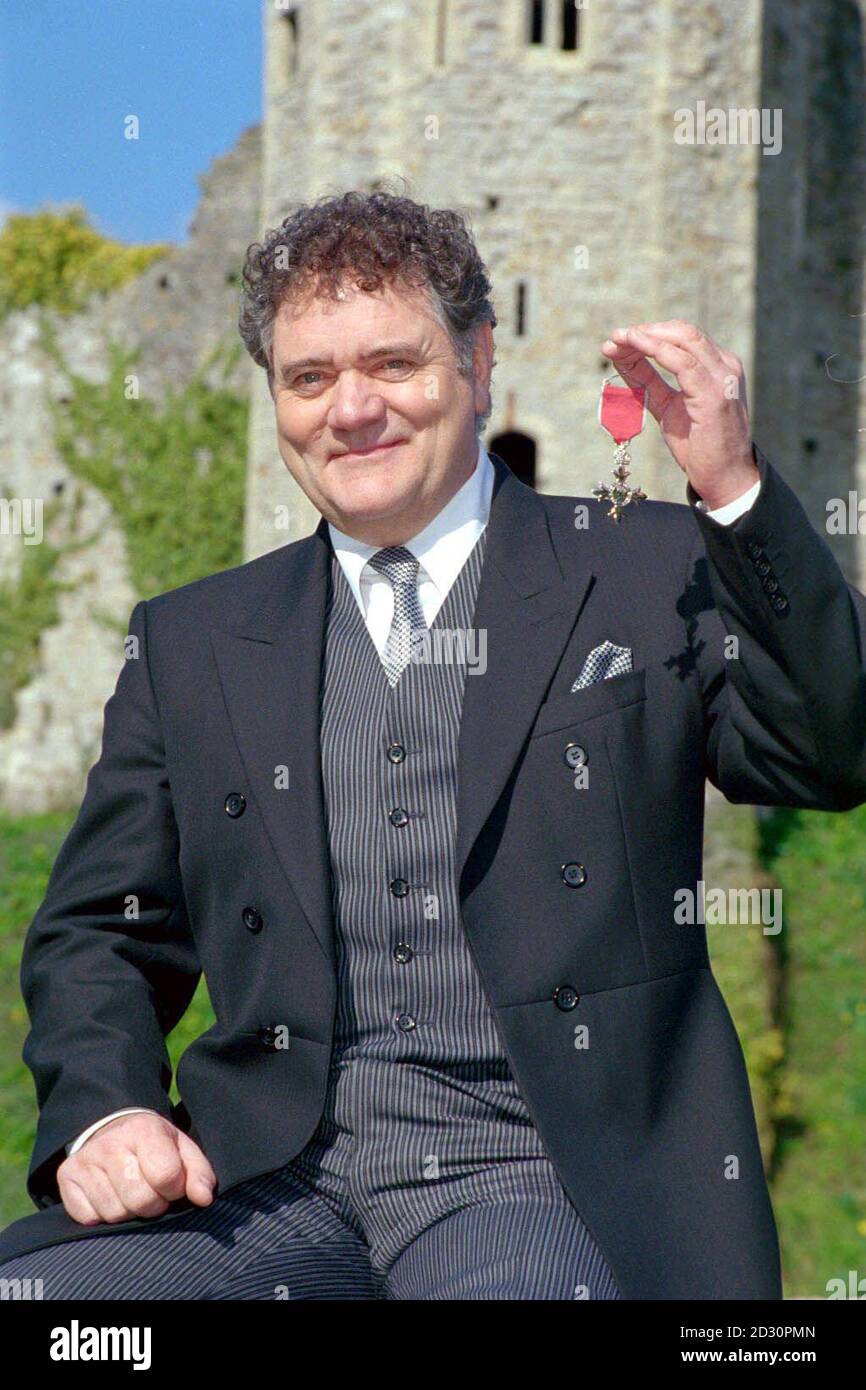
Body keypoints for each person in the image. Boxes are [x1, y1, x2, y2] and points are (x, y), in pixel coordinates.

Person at [1, 190, 864, 1300]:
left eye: (392, 364)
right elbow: (98, 931)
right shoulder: (193, 638)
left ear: (477, 359)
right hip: (261, 1184)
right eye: (308, 379)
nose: (350, 409)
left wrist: (733, 489)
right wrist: (110, 1108)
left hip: (539, 1178)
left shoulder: (642, 564)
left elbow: (826, 752)